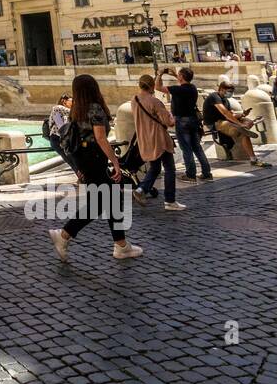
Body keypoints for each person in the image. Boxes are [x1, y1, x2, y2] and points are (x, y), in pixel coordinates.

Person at [48, 74, 143, 262]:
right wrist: (115, 162)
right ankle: (65, 234)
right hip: (95, 158)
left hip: (84, 160)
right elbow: (100, 138)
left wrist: (78, 167)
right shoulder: (94, 109)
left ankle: (121, 244)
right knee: (102, 201)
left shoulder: (77, 111)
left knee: (110, 199)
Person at [132, 74, 184, 211]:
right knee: (170, 169)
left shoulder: (134, 100)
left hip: (144, 139)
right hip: (159, 139)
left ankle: (141, 189)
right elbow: (169, 122)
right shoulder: (154, 102)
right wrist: (174, 118)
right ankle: (170, 200)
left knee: (155, 168)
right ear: (151, 86)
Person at [203, 80, 269, 167]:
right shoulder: (214, 97)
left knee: (245, 124)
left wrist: (242, 114)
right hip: (214, 123)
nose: (231, 93)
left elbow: (231, 114)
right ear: (222, 89)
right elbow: (225, 113)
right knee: (240, 129)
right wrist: (240, 124)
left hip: (225, 121)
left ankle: (253, 157)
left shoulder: (225, 100)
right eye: (229, 91)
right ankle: (243, 129)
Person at [168, 66, 213, 180]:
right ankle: (207, 173)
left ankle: (190, 175)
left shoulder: (178, 90)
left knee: (186, 149)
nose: (177, 76)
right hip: (193, 120)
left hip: (182, 121)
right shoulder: (192, 88)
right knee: (197, 148)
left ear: (182, 77)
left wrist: (160, 74)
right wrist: (175, 75)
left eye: (179, 75)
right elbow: (184, 84)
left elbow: (158, 87)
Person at [44, 92, 72, 159]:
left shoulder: (66, 114)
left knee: (74, 161)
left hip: (64, 139)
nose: (73, 103)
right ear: (64, 101)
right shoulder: (57, 108)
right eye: (72, 101)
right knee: (71, 161)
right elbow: (61, 127)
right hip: (57, 139)